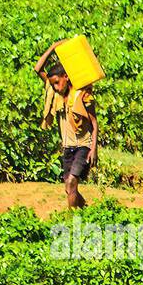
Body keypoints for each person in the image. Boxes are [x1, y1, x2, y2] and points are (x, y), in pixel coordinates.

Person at [34, 40, 98, 208]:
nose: (55, 87)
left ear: (66, 77)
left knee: (71, 183)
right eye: (52, 84)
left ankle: (71, 221)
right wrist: (53, 47)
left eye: (57, 82)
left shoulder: (82, 95)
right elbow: (38, 69)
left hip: (83, 146)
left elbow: (94, 121)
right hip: (67, 147)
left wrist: (93, 148)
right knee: (69, 189)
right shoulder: (55, 95)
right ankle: (86, 210)